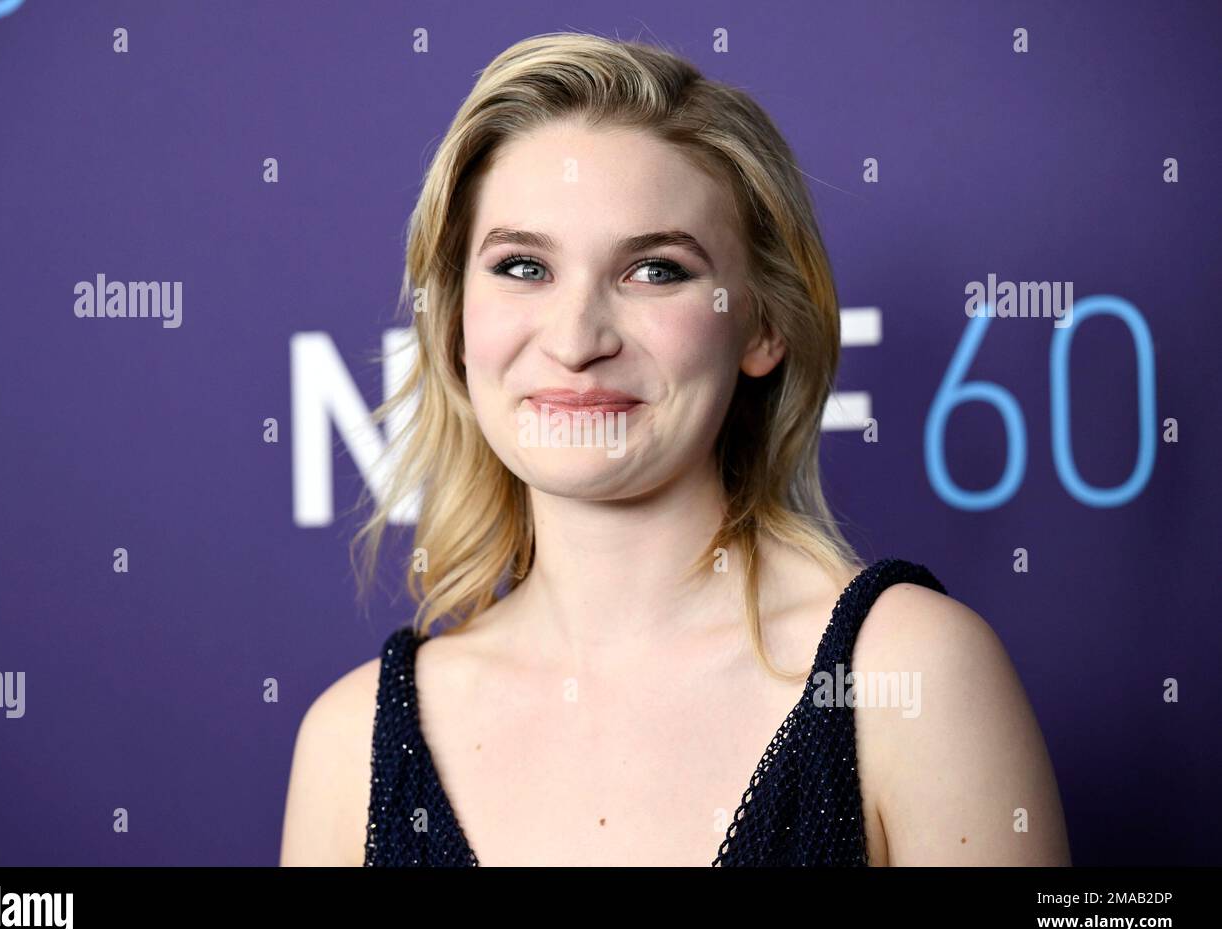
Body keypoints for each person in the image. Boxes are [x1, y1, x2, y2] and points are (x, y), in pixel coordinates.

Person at [279, 31, 1070, 867]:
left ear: (764, 324)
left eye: (654, 271)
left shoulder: (908, 679)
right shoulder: (349, 746)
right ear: (455, 322)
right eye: (521, 266)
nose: (576, 338)